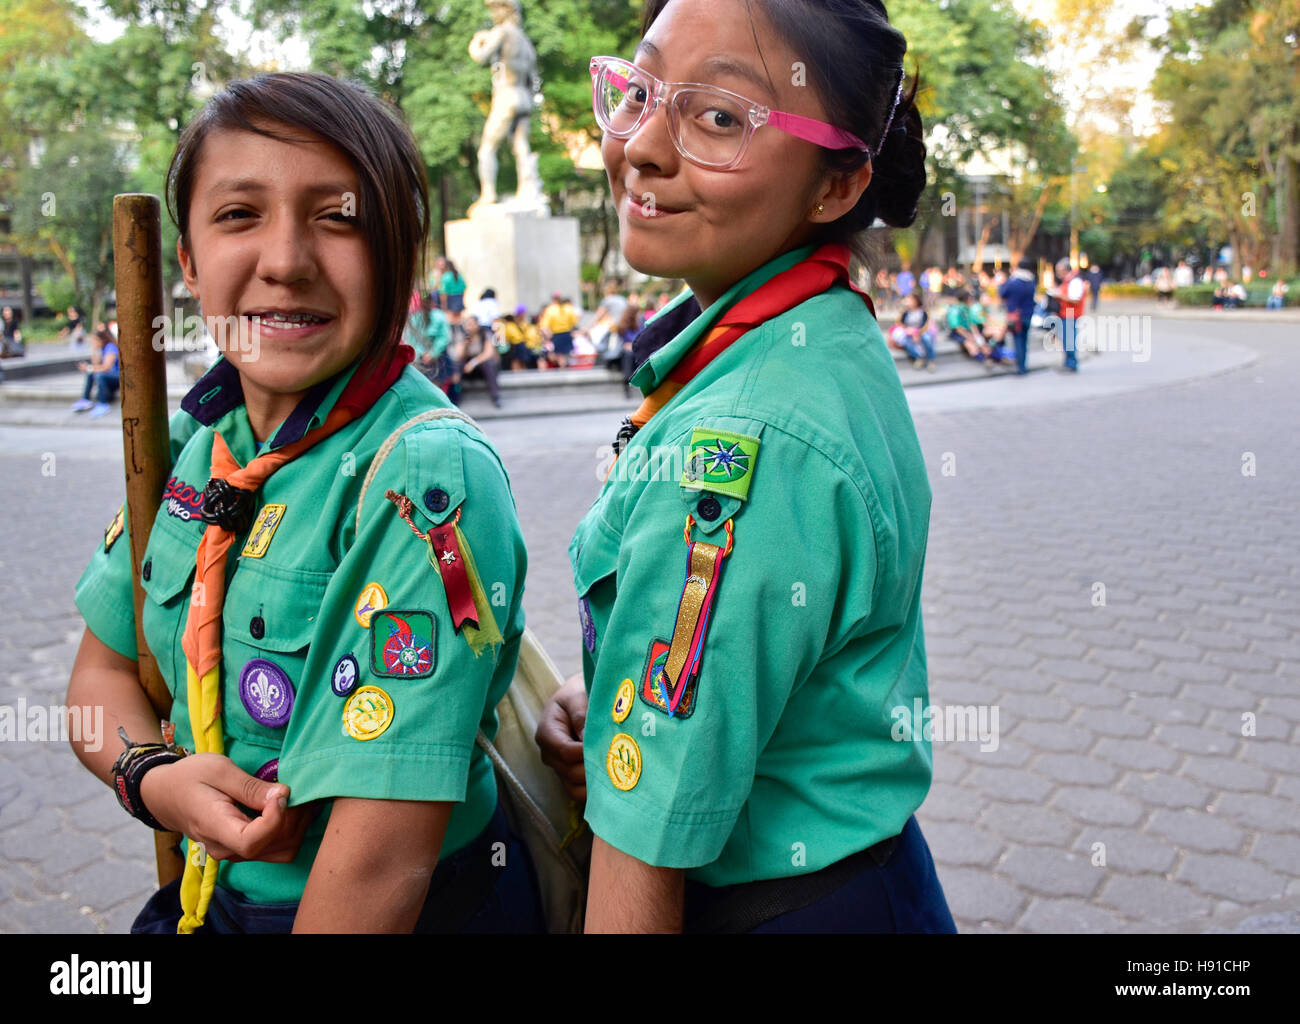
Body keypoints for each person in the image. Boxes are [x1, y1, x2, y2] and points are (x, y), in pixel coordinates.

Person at [66, 71, 541, 934]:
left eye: (339, 217)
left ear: (401, 253)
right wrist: (155, 778)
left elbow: (378, 865)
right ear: (187, 259)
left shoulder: (425, 477)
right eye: (239, 215)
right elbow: (99, 678)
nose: (284, 261)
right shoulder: (186, 445)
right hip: (210, 899)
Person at [536, 0, 955, 934]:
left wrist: (637, 744)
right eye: (639, 90)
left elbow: (645, 855)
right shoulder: (815, 330)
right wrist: (615, 705)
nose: (641, 144)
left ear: (837, 183)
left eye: (719, 117)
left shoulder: (742, 441)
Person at [999, 258, 1037, 375]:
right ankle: (1023, 365)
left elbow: (1002, 293)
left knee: (1018, 341)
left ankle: (1020, 367)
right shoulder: (1031, 281)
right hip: (1028, 314)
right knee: (1024, 341)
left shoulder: (1013, 281)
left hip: (1016, 316)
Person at [72, 326, 121, 416]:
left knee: (99, 375)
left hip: (117, 377)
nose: (93, 342)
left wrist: (89, 368)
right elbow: (96, 364)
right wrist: (94, 350)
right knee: (91, 373)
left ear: (101, 340)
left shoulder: (111, 347)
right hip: (108, 376)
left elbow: (107, 367)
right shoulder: (102, 349)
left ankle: (103, 403)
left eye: (94, 340)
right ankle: (85, 399)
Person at [888, 291, 935, 371]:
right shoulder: (905, 312)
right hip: (908, 332)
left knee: (927, 338)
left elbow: (925, 325)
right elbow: (899, 323)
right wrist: (908, 330)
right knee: (907, 342)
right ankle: (919, 358)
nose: (907, 302)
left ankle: (930, 360)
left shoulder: (923, 312)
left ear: (916, 301)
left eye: (909, 300)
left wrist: (917, 333)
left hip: (921, 332)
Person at [1054, 258, 1086, 371]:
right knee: (1066, 340)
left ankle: (1071, 364)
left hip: (1071, 314)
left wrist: (1059, 296)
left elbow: (1075, 299)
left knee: (1069, 341)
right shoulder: (1066, 281)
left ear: (1066, 270)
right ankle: (1068, 363)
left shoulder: (1075, 281)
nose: (1058, 273)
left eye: (1059, 270)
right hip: (1064, 314)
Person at [540, 292, 580, 368]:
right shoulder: (568, 308)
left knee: (560, 356)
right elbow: (574, 322)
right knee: (565, 355)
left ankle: (563, 370)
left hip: (557, 334)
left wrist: (547, 337)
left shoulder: (551, 310)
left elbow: (544, 325)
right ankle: (564, 369)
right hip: (567, 334)